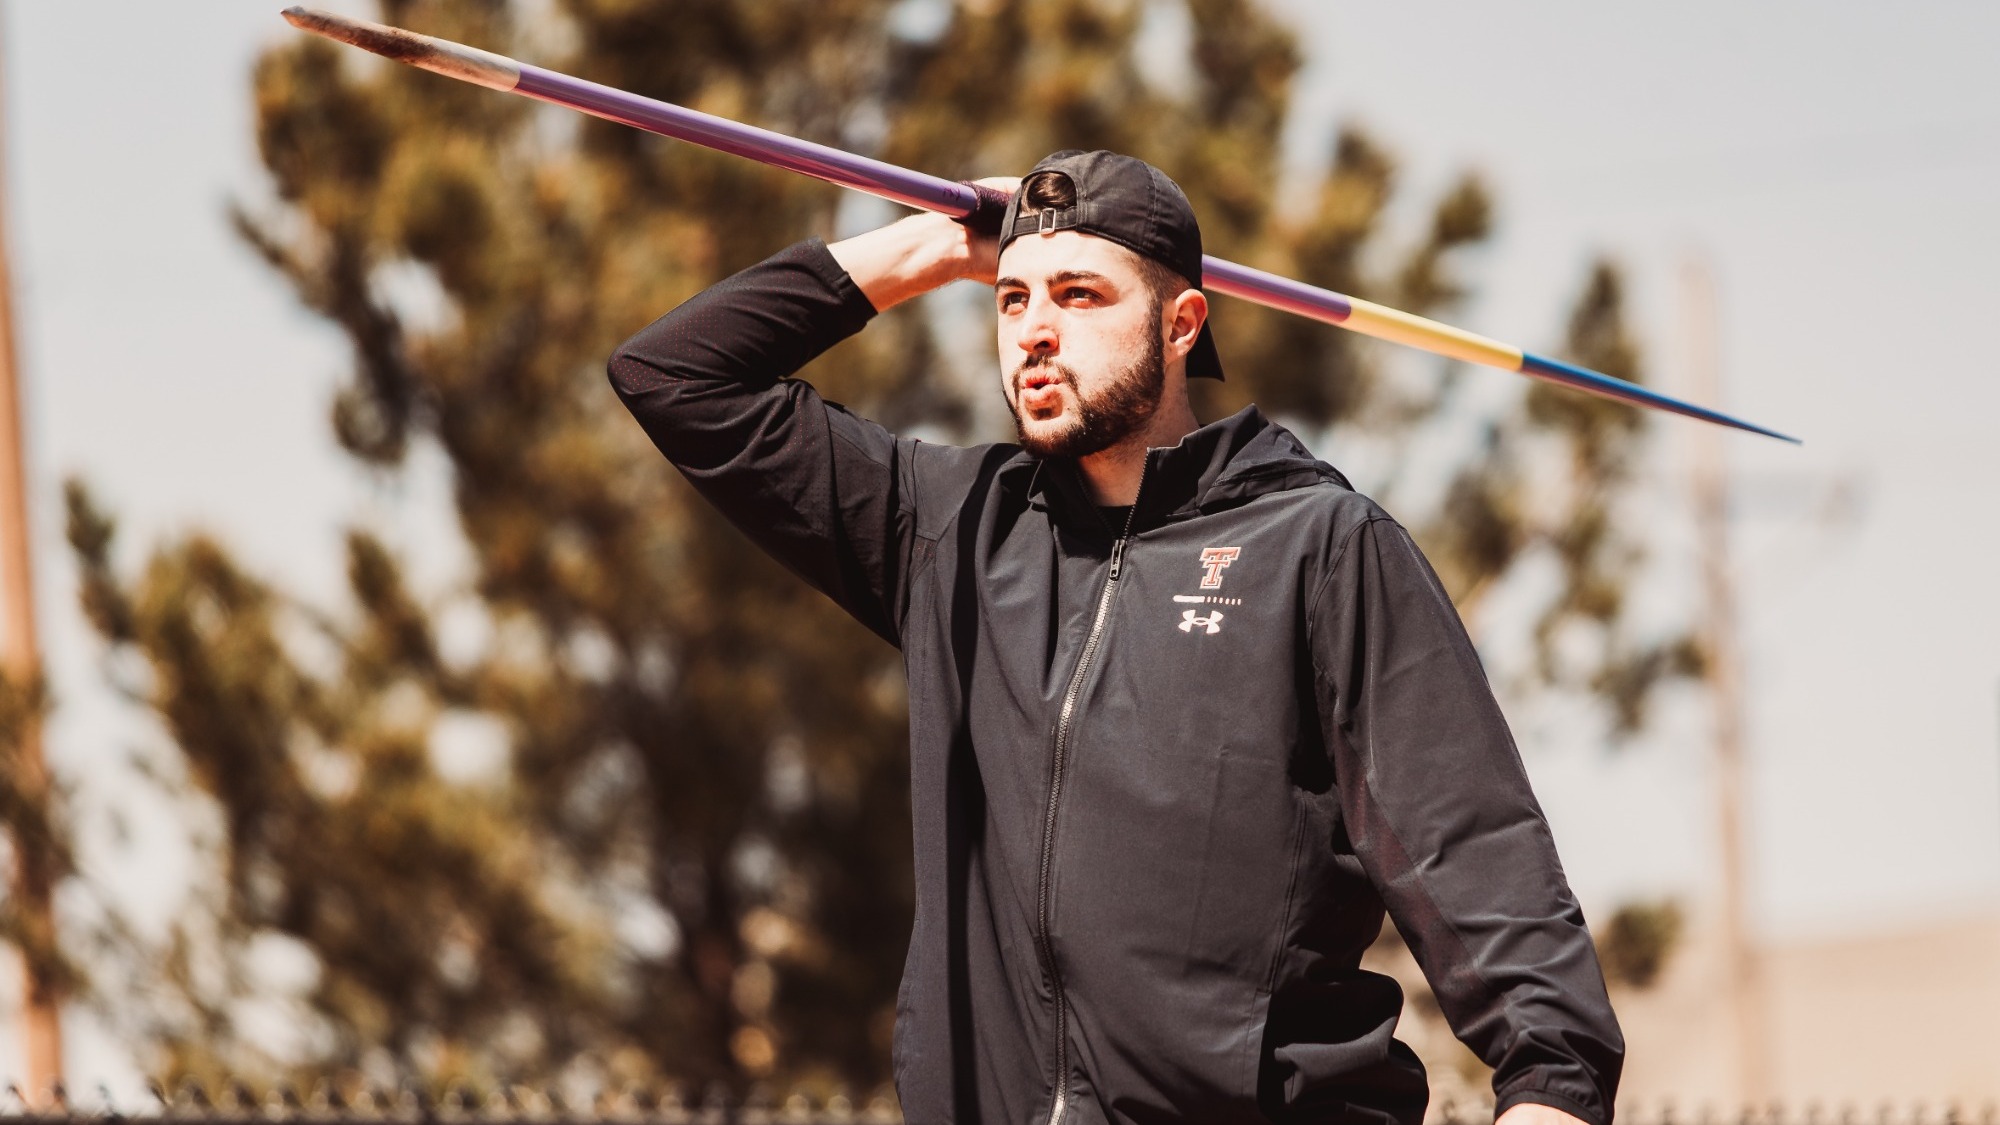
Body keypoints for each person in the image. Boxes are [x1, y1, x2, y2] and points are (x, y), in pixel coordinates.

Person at [608, 150, 1623, 1125]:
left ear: (1181, 324)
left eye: (1079, 295)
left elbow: (1478, 860)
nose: (1034, 332)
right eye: (1013, 299)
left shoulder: (1317, 546)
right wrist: (934, 249)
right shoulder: (948, 529)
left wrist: (1552, 1087)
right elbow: (674, 377)